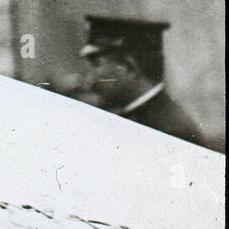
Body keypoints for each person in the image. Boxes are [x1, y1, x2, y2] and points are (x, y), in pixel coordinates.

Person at [79, 15, 216, 151]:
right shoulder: (140, 118)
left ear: (129, 67)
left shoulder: (169, 132)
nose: (88, 82)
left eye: (96, 65)